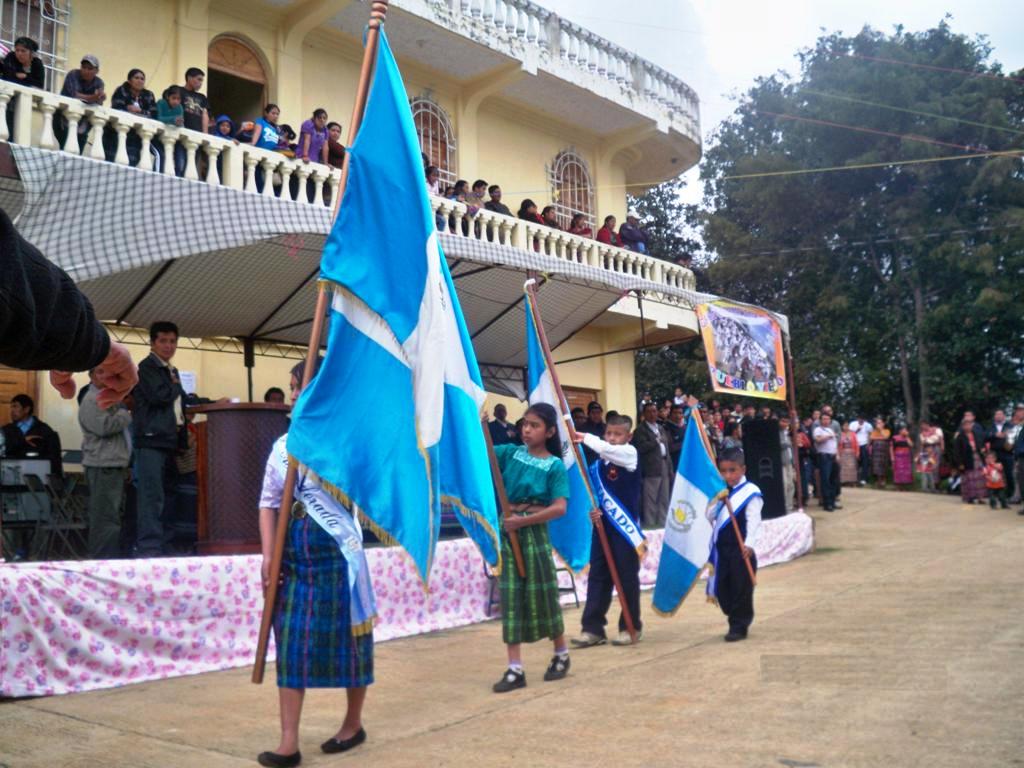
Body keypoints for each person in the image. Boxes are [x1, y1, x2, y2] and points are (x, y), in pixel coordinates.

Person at [258, 360, 376, 766]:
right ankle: (288, 742)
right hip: (295, 563)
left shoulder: (347, 440)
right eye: (292, 387)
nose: (294, 395)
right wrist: (269, 555)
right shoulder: (283, 446)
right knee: (291, 647)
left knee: (352, 645)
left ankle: (353, 724)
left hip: (340, 561)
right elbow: (268, 503)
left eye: (300, 386)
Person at [491, 403, 571, 693]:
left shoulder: (554, 465)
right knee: (511, 595)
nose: (526, 429)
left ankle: (561, 653)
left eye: (534, 425)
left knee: (543, 593)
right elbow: (479, 450)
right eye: (524, 424)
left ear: (549, 432)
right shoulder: (510, 453)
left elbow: (559, 508)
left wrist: (523, 521)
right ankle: (515, 669)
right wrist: (477, 421)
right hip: (508, 531)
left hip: (533, 534)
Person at [571, 414, 643, 648]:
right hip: (602, 528)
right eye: (609, 433)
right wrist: (593, 511)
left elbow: (606, 449)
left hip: (624, 531)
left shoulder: (629, 454)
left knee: (626, 578)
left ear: (628, 436)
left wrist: (584, 437)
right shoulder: (597, 466)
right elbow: (593, 496)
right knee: (598, 577)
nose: (612, 438)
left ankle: (630, 627)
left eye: (617, 434)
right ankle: (592, 629)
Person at [132, 321, 187, 556]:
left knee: (169, 495)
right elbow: (159, 396)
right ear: (153, 343)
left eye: (172, 341)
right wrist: (175, 385)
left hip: (169, 440)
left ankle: (165, 544)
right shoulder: (146, 367)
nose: (168, 346)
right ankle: (149, 548)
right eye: (163, 341)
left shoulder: (171, 371)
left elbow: (181, 401)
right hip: (151, 439)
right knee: (151, 497)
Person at [707, 447, 762, 641]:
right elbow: (709, 515)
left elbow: (754, 520)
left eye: (732, 470)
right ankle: (734, 613)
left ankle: (739, 626)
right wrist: (718, 501)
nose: (728, 475)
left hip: (742, 549)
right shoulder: (722, 491)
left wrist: (750, 544)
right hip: (723, 549)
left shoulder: (751, 492)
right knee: (723, 588)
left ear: (743, 469)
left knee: (741, 587)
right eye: (724, 471)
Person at [78, 368, 133, 558]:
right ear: (92, 376)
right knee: (105, 519)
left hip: (112, 464)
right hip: (102, 465)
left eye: (108, 373)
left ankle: (106, 558)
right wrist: (126, 411)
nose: (106, 377)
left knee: (110, 517)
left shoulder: (107, 397)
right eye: (100, 372)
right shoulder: (91, 399)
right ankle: (102, 560)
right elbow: (104, 427)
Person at [2, 394, 63, 477]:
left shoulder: (44, 430)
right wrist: (22, 441)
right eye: (11, 407)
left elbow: (55, 459)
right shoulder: (6, 430)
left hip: (38, 478)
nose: (12, 411)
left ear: (26, 409)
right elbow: (3, 449)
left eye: (15, 406)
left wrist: (56, 480)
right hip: (11, 477)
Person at [633, 402, 673, 528]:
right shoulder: (640, 430)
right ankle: (650, 524)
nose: (652, 414)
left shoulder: (660, 428)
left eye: (654, 411)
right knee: (651, 498)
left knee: (664, 496)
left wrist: (670, 468)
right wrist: (655, 441)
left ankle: (662, 523)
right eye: (649, 411)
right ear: (644, 414)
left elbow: (667, 449)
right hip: (650, 468)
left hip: (664, 464)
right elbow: (639, 448)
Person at [954, 412, 987, 505]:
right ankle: (970, 497)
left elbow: (980, 444)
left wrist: (982, 450)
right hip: (966, 460)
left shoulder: (975, 434)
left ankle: (980, 497)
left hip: (977, 457)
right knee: (969, 479)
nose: (968, 426)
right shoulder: (959, 437)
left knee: (980, 478)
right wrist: (960, 463)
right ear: (962, 426)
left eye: (969, 424)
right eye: (966, 424)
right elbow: (957, 452)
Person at [986, 409, 1016, 503]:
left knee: (1009, 474)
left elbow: (1014, 438)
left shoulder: (1010, 426)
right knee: (994, 475)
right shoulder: (991, 427)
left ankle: (1010, 495)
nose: (998, 416)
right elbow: (985, 437)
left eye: (1000, 414)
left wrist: (1007, 436)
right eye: (997, 414)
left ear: (1004, 416)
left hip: (1007, 453)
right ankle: (995, 495)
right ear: (994, 416)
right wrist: (995, 435)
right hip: (995, 454)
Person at [813, 414, 838, 511]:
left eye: (828, 419)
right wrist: (828, 436)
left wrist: (837, 454)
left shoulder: (830, 429)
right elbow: (818, 440)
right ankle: (826, 503)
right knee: (825, 480)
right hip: (824, 456)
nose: (826, 421)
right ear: (820, 420)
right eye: (824, 419)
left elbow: (834, 444)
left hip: (833, 456)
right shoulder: (818, 430)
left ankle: (832, 501)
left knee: (833, 480)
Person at [917, 419, 943, 493]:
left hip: (935, 449)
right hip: (925, 450)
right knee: (924, 468)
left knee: (934, 467)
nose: (922, 427)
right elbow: (923, 443)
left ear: (927, 424)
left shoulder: (936, 430)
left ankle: (934, 487)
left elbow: (940, 439)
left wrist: (942, 447)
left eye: (923, 425)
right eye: (921, 425)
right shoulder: (922, 434)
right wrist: (920, 453)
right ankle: (925, 487)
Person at [181, 67, 210, 133]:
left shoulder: (202, 97)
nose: (201, 83)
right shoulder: (177, 90)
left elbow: (205, 115)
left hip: (196, 134)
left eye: (202, 81)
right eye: (199, 79)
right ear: (189, 78)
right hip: (180, 130)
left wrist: (205, 134)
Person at [848, 415, 873, 486]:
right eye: (860, 418)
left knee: (865, 462)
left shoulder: (868, 425)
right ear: (857, 418)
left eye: (862, 419)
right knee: (854, 462)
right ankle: (853, 479)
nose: (861, 420)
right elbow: (850, 434)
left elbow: (870, 435)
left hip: (864, 445)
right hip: (854, 445)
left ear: (864, 419)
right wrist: (857, 430)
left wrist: (868, 444)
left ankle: (863, 479)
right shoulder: (853, 424)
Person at [868, 418, 891, 489]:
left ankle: (883, 480)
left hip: (884, 451)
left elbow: (886, 437)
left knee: (883, 465)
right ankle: (878, 481)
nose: (878, 424)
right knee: (876, 466)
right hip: (876, 452)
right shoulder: (874, 431)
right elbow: (871, 438)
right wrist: (880, 437)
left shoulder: (887, 431)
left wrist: (880, 430)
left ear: (883, 424)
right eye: (877, 423)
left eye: (880, 423)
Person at [779, 413, 795, 512]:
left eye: (787, 422)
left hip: (789, 462)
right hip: (781, 463)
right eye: (783, 421)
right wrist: (789, 443)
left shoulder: (787, 433)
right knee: (784, 485)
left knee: (791, 485)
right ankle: (783, 507)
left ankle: (789, 506)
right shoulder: (777, 432)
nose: (785, 423)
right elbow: (778, 445)